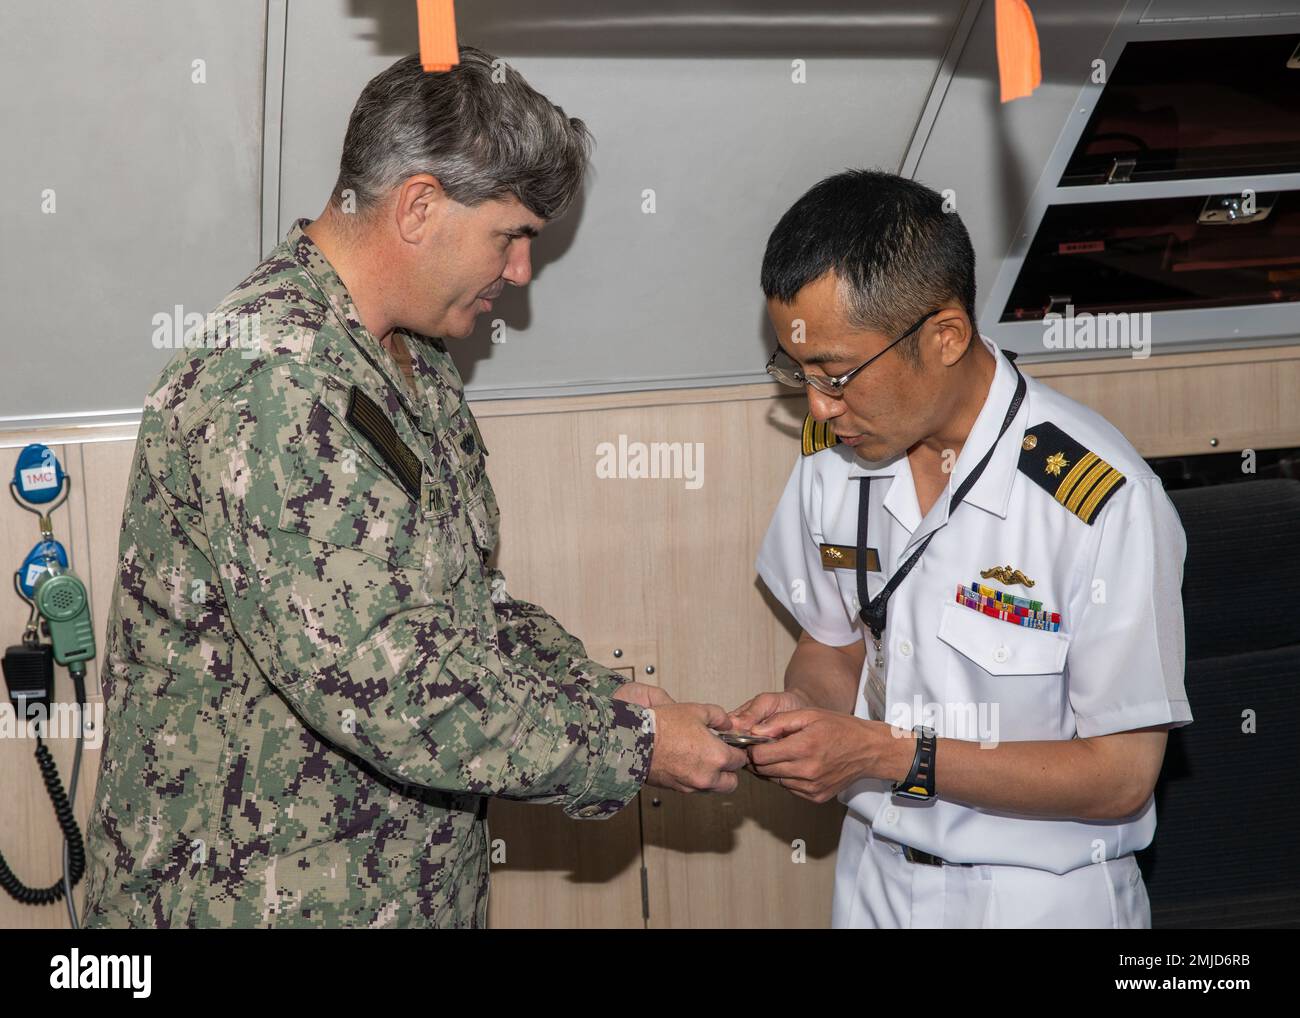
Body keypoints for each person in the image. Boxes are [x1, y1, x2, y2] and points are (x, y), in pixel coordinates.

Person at [80, 47, 745, 929]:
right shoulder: (273, 383)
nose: (520, 273)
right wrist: (633, 748)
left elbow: (459, 609)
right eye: (511, 236)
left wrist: (599, 693)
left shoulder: (411, 362)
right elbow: (387, 681)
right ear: (420, 205)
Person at [734, 169, 1192, 928]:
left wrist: (885, 754)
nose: (818, 406)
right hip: (875, 878)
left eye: (838, 373)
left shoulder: (1098, 500)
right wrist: (806, 714)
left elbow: (1120, 779)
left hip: (1034, 896)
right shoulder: (832, 458)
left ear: (944, 337)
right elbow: (833, 643)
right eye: (799, 371)